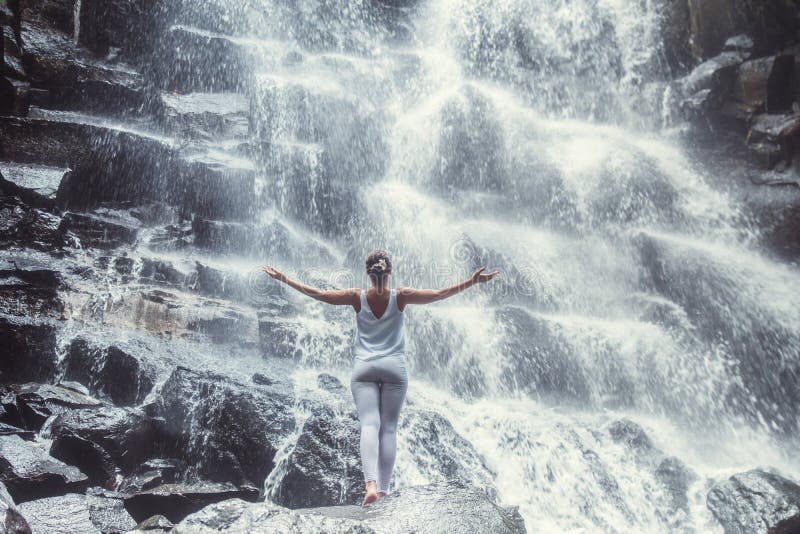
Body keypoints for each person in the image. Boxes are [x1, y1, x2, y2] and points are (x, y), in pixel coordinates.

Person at [262, 250, 500, 506]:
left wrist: (284, 279)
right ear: (389, 273)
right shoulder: (402, 297)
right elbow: (440, 294)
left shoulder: (356, 297)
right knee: (388, 428)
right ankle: (384, 491)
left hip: (364, 369)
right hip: (394, 369)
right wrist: (472, 281)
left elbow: (319, 295)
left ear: (368, 273)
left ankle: (370, 486)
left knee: (369, 425)